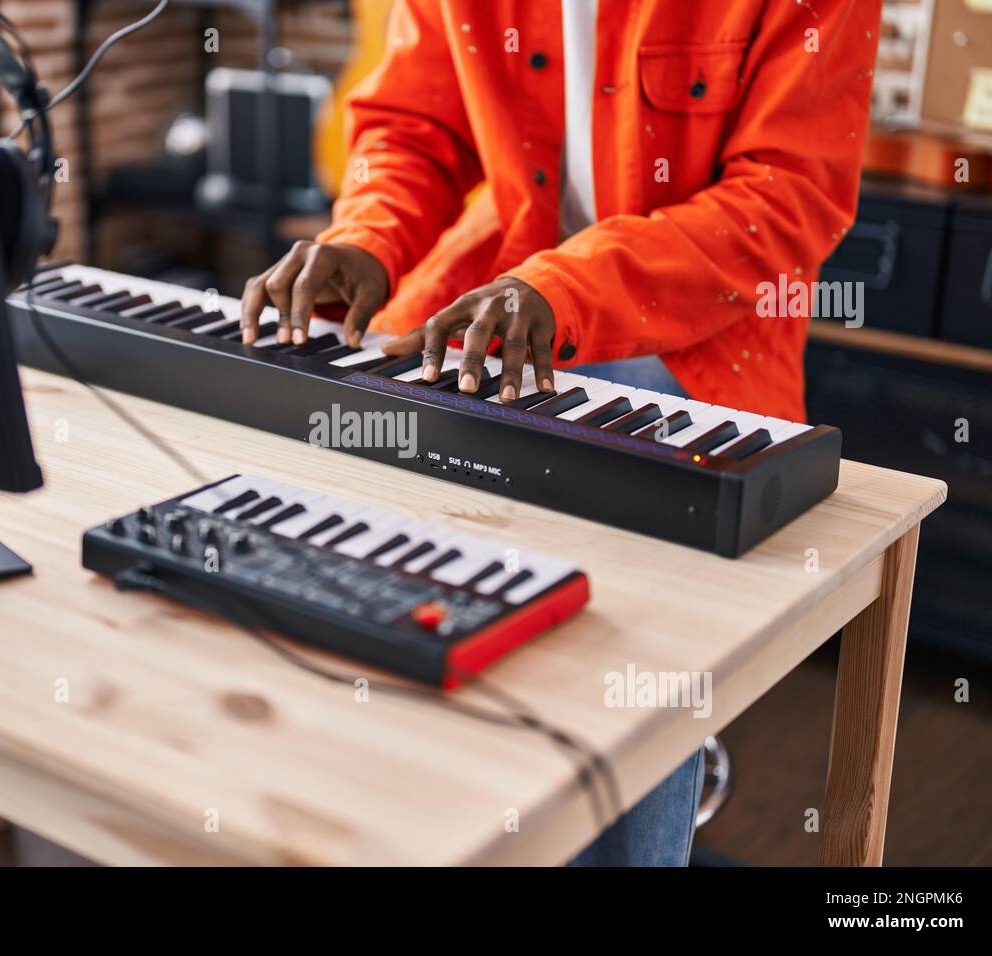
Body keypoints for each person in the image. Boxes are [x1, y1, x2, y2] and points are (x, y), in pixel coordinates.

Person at [240, 0, 879, 864]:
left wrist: (567, 292)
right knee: (365, 500)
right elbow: (415, 130)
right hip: (496, 290)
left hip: (699, 340)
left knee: (641, 609)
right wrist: (370, 237)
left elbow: (789, 194)